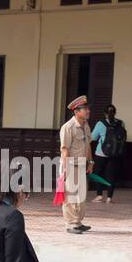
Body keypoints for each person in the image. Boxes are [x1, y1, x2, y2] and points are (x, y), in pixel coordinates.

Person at [59, 96, 93, 234]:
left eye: (87, 108)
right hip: (71, 165)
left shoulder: (85, 126)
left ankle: (78, 222)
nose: (88, 111)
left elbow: (88, 145)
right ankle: (71, 224)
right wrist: (66, 168)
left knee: (81, 196)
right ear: (76, 111)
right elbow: (65, 149)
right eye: (85, 109)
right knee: (70, 196)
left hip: (81, 165)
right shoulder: (68, 127)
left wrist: (91, 162)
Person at [91, 104, 126, 203]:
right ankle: (109, 197)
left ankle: (99, 195)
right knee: (111, 175)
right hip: (115, 153)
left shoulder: (100, 124)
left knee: (98, 174)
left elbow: (93, 137)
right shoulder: (121, 123)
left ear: (105, 113)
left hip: (101, 153)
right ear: (115, 113)